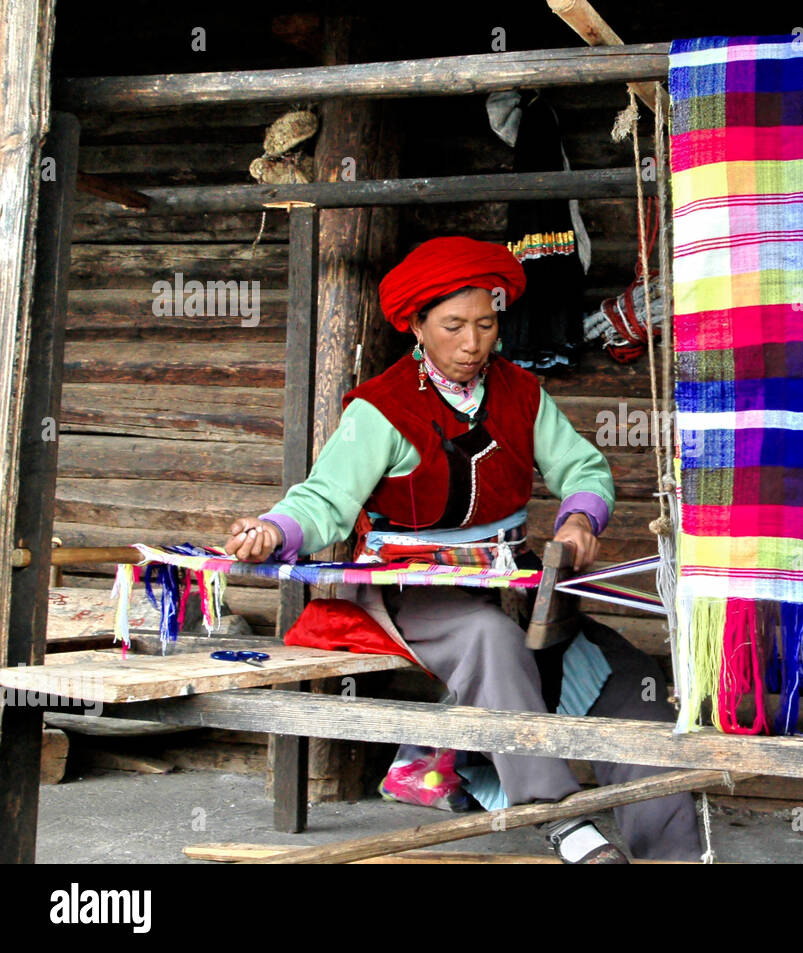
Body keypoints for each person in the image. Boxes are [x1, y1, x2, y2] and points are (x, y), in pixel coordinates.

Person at [223, 236, 701, 864]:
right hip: (413, 591)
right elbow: (323, 500)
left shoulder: (521, 392)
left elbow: (583, 469)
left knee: (630, 682)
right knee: (491, 640)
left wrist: (581, 519)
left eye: (486, 323)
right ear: (418, 326)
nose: (473, 343)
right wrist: (273, 531)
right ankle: (556, 817)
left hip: (517, 583)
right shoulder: (382, 409)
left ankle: (673, 853)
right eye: (453, 326)